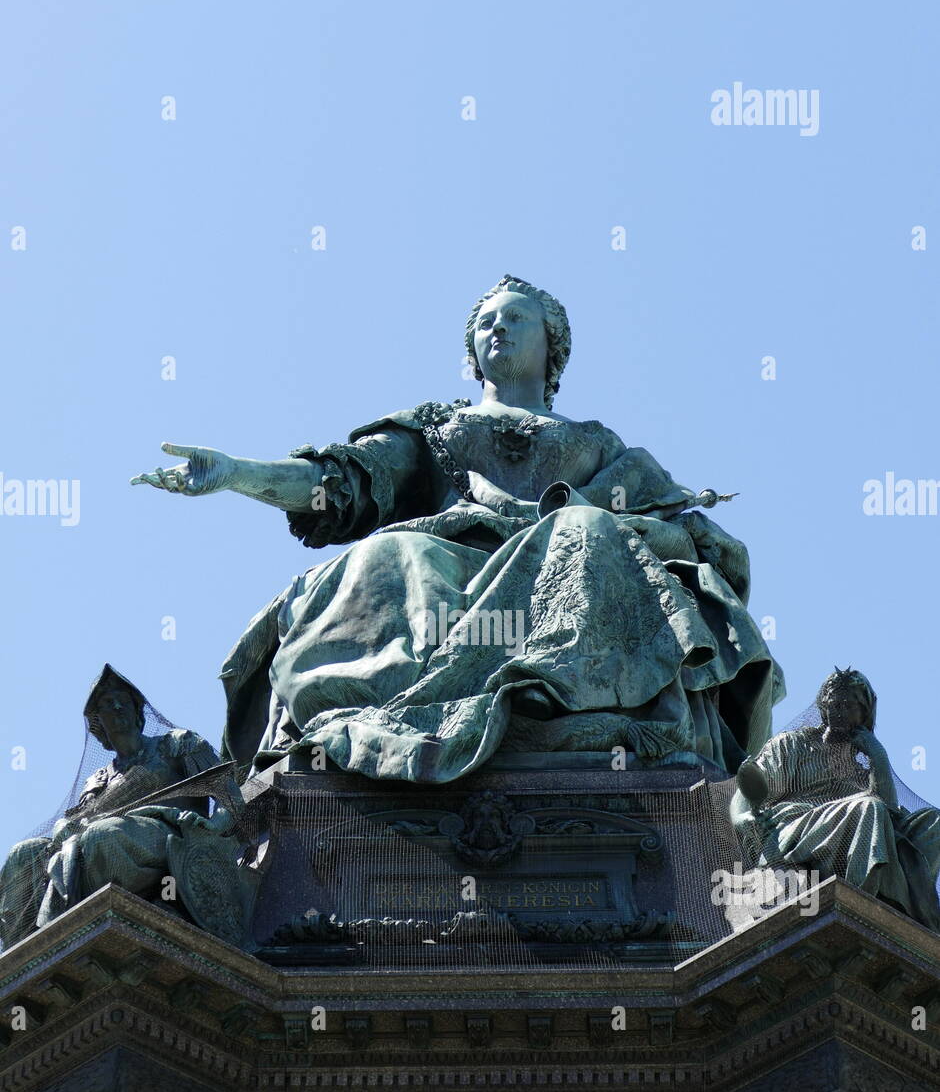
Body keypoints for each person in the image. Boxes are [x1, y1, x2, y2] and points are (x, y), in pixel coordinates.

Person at [132, 275, 784, 783]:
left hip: (563, 555)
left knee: (585, 531)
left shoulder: (599, 444)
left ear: (552, 345)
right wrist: (236, 473)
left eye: (515, 318)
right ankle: (412, 713)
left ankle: (542, 693)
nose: (497, 327)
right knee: (389, 555)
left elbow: (668, 522)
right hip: (450, 552)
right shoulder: (437, 428)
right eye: (486, 321)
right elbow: (344, 480)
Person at [0, 666, 219, 945]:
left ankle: (84, 930)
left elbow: (228, 792)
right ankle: (21, 952)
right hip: (106, 837)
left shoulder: (178, 743)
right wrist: (63, 826)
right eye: (107, 703)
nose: (117, 707)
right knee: (23, 854)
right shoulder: (98, 779)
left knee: (100, 837)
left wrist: (215, 825)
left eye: (123, 701)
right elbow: (77, 818)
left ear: (137, 711)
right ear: (98, 722)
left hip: (172, 837)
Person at [731, 668, 940, 928]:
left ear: (864, 714)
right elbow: (745, 790)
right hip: (796, 829)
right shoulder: (792, 744)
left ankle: (913, 915)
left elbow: (890, 815)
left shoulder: (862, 771)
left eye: (851, 706)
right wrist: (741, 818)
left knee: (933, 822)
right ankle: (857, 904)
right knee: (869, 807)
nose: (841, 712)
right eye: (835, 704)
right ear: (824, 705)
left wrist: (878, 755)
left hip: (854, 826)